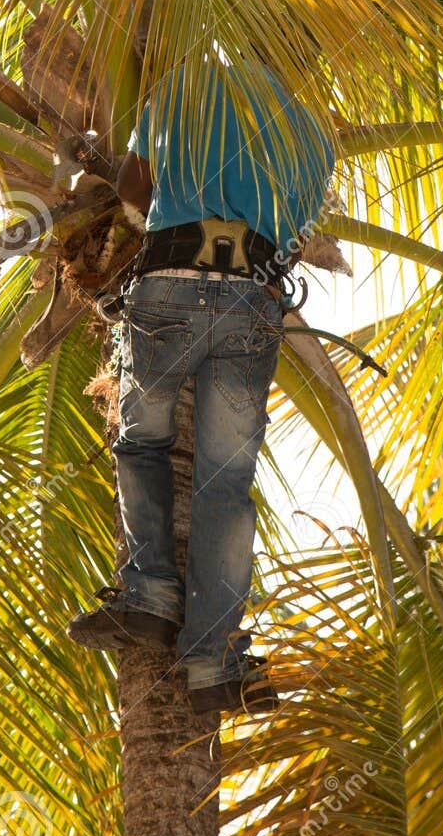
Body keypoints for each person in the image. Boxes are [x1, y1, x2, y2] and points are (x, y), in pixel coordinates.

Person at [67, 52, 336, 715]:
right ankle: (213, 660)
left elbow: (135, 186)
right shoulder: (314, 137)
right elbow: (294, 244)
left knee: (143, 443)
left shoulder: (188, 85)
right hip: (252, 299)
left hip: (169, 288)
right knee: (225, 484)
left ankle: (150, 596)